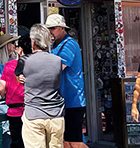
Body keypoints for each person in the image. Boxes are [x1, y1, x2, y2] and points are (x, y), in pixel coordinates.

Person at [15, 24, 65, 148]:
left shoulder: (24, 61)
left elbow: (18, 77)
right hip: (56, 114)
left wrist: (22, 78)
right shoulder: (58, 60)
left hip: (34, 114)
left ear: (33, 41)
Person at [44, 14, 87, 148]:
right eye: (48, 29)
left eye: (53, 28)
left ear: (63, 28)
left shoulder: (69, 44)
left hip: (73, 100)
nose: (50, 32)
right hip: (60, 101)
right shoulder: (54, 46)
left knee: (75, 142)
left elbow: (58, 67)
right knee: (64, 142)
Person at [0, 34, 29, 148]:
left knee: (16, 141)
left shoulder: (10, 65)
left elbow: (1, 88)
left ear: (20, 50)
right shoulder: (34, 64)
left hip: (14, 110)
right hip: (32, 110)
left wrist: (7, 94)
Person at [0, 33, 19, 148]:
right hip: (3, 100)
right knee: (7, 129)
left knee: (16, 129)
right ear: (6, 45)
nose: (15, 45)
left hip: (17, 98)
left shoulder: (15, 58)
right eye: (12, 43)